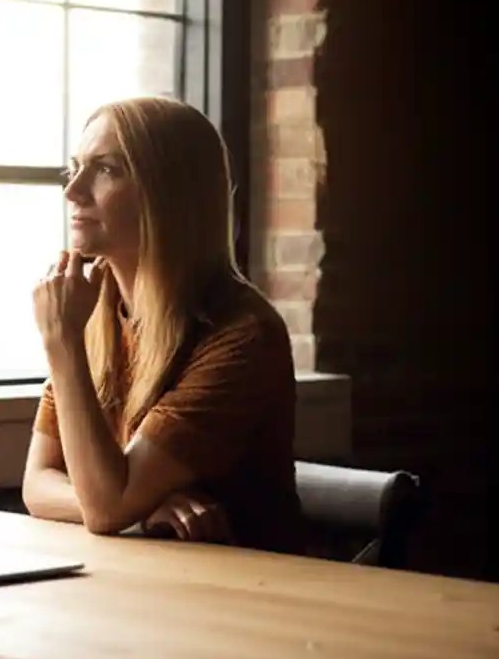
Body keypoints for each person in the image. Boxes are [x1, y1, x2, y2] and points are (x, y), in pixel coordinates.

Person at [23, 96, 305, 555]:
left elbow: (108, 507)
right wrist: (143, 507)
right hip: (146, 581)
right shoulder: (94, 310)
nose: (72, 190)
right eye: (73, 168)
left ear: (170, 193)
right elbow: (37, 482)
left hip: (246, 595)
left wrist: (61, 342)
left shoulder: (243, 336)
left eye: (106, 169)